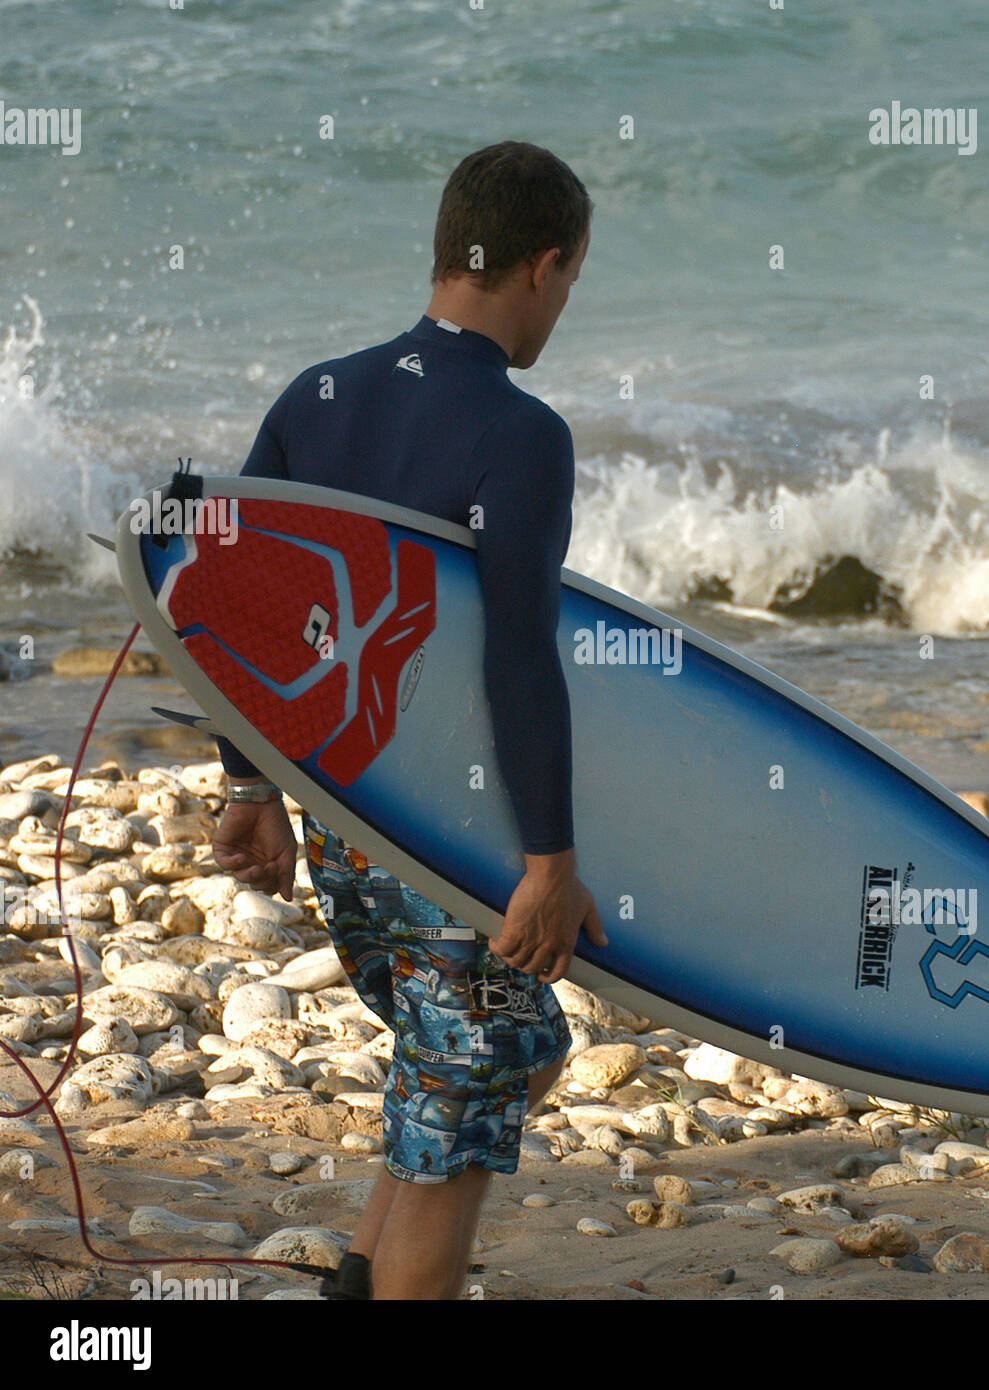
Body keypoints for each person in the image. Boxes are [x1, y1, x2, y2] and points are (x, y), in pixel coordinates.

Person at [208, 141, 607, 1300]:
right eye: (570, 281)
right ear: (543, 267)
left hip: (347, 821)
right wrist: (549, 858)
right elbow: (519, 656)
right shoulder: (521, 432)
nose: (561, 307)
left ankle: (354, 1279)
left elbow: (229, 611)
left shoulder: (315, 397)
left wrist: (250, 785)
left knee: (502, 1053)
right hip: (450, 833)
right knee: (463, 1100)